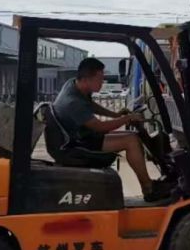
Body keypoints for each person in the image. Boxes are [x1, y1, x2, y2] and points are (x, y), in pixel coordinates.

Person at [53, 57, 171, 201]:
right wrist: (127, 118)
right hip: (79, 145)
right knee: (131, 141)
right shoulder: (73, 102)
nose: (103, 83)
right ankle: (148, 188)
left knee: (133, 135)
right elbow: (100, 127)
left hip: (81, 137)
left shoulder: (74, 85)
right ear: (86, 79)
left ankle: (149, 184)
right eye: (100, 79)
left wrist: (116, 115)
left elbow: (90, 106)